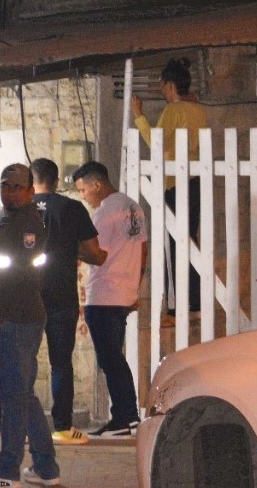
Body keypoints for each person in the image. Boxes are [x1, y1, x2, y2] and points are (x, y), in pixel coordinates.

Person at [0, 163, 58, 488]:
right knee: (22, 393)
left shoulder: (26, 224)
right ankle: (46, 467)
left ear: (29, 190)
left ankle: (7, 471)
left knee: (12, 397)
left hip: (14, 319)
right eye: (4, 185)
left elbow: (20, 277)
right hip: (13, 318)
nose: (9, 191)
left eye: (16, 186)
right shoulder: (12, 219)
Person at [31, 158, 107, 447]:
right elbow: (93, 252)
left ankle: (22, 426)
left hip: (27, 299)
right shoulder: (71, 208)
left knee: (23, 362)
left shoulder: (19, 209)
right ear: (56, 179)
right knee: (60, 363)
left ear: (32, 178)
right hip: (61, 298)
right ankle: (62, 428)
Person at [72, 161, 147, 438]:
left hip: (103, 294)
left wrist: (69, 248)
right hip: (123, 294)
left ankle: (124, 418)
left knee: (110, 359)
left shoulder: (104, 213)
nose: (84, 197)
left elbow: (97, 254)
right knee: (114, 357)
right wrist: (134, 287)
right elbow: (143, 250)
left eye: (83, 190)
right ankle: (127, 417)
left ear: (97, 185)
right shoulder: (133, 207)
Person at [130, 57, 207, 326]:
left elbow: (156, 142)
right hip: (195, 182)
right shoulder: (198, 110)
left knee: (173, 246)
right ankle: (196, 307)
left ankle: (174, 311)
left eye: (163, 86)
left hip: (175, 183)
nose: (162, 91)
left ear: (171, 85)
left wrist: (138, 115)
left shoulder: (174, 111)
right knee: (190, 243)